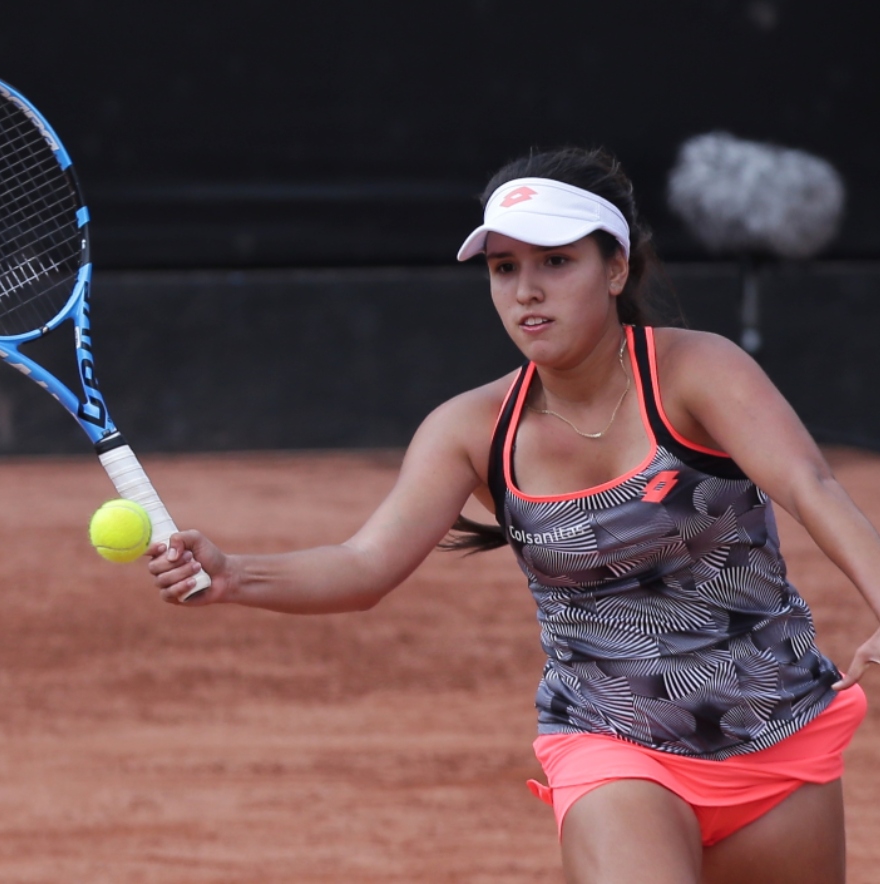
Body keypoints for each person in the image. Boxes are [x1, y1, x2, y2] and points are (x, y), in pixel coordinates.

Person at [147, 146, 879, 884]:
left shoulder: (698, 372)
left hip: (777, 735)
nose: (527, 291)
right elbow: (366, 566)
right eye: (504, 269)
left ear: (616, 269)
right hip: (611, 746)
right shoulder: (471, 428)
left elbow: (811, 485)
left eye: (555, 263)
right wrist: (234, 574)